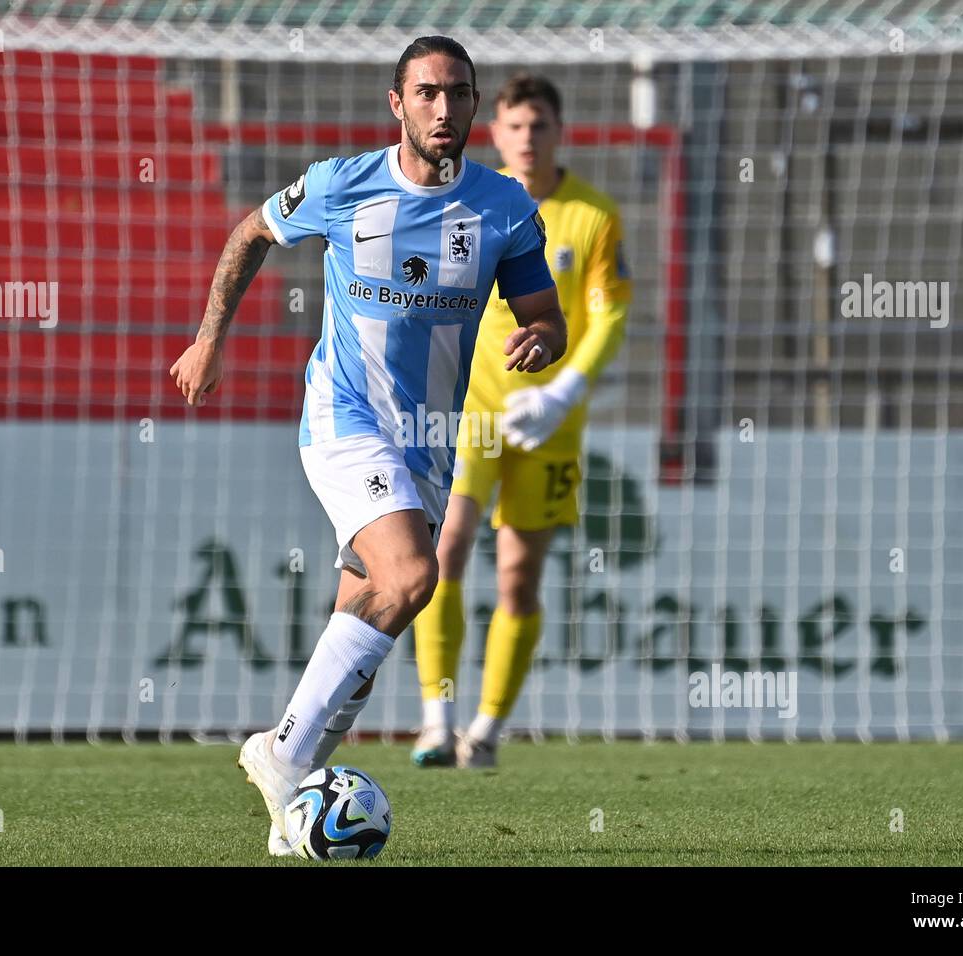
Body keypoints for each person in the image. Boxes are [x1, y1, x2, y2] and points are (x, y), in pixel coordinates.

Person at [168, 37, 567, 855]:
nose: (444, 109)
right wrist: (210, 340)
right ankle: (280, 758)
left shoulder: (505, 207)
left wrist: (541, 337)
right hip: (344, 421)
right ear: (398, 103)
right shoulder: (342, 184)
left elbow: (546, 315)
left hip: (428, 443)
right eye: (427, 93)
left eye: (458, 94)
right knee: (414, 573)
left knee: (369, 610)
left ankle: (293, 817)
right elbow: (248, 234)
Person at [411, 74, 632, 768]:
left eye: (539, 126)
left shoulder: (592, 216)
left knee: (517, 580)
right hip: (472, 408)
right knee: (442, 554)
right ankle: (435, 720)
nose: (527, 138)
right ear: (494, 132)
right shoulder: (475, 203)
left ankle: (486, 731)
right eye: (514, 126)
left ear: (558, 132)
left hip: (549, 423)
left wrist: (564, 392)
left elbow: (610, 315)